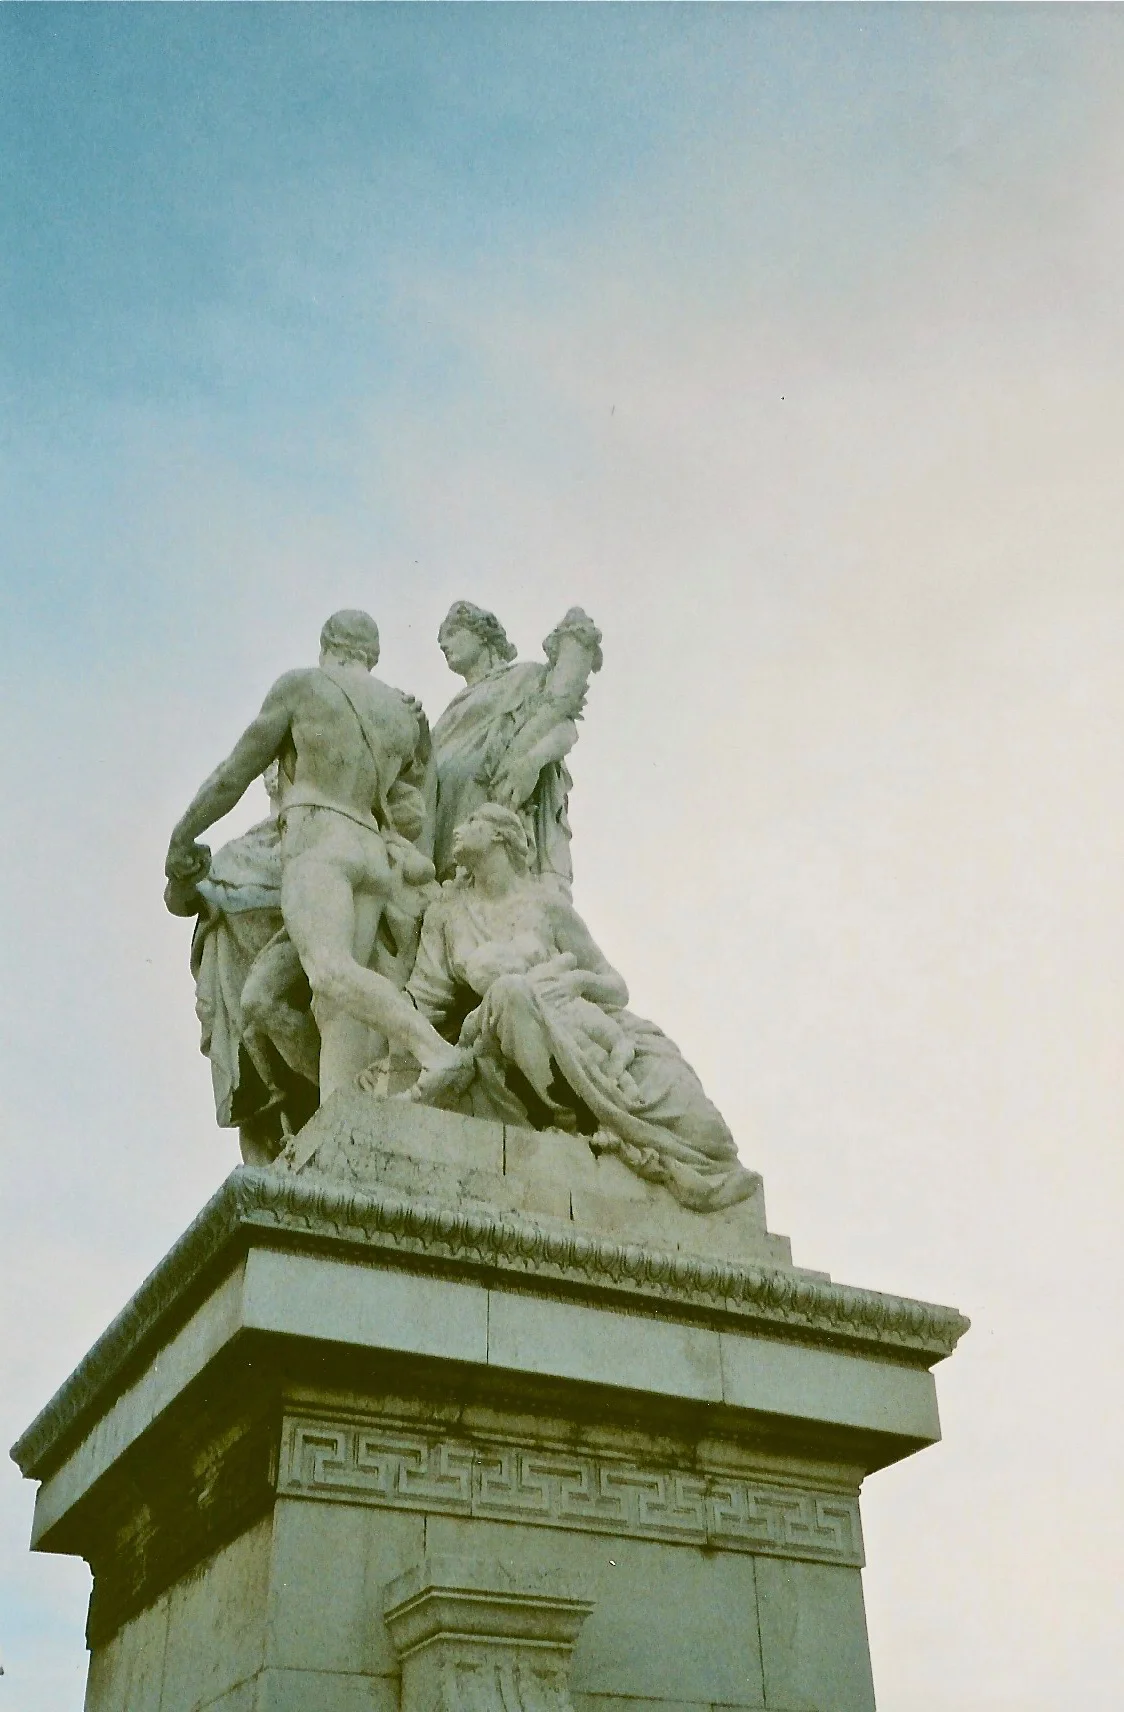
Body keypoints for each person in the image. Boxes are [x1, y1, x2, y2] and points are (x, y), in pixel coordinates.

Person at [165, 610, 472, 1103]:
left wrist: (183, 835)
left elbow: (234, 774)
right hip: (372, 854)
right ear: (372, 654)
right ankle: (343, 1107)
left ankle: (435, 1053)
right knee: (334, 1005)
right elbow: (419, 802)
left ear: (327, 645)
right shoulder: (400, 713)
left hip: (320, 842)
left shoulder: (303, 686)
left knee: (329, 971)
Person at [406, 804, 758, 1211]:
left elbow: (615, 986)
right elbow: (424, 998)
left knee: (702, 1126)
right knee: (510, 992)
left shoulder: (546, 905)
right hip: (502, 1032)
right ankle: (563, 1117)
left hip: (578, 1018)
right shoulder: (446, 914)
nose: (458, 830)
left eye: (471, 822)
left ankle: (683, 1151)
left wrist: (574, 981)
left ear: (499, 834)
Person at [164, 763, 318, 1163]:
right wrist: (182, 876)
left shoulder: (319, 838)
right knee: (256, 1108)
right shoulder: (237, 854)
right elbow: (180, 899)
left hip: (297, 992)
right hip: (238, 994)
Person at [430, 601, 602, 893]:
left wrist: (531, 762)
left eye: (453, 632)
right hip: (449, 836)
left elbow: (563, 726)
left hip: (501, 831)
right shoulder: (449, 712)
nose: (444, 644)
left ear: (482, 634)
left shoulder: (524, 677)